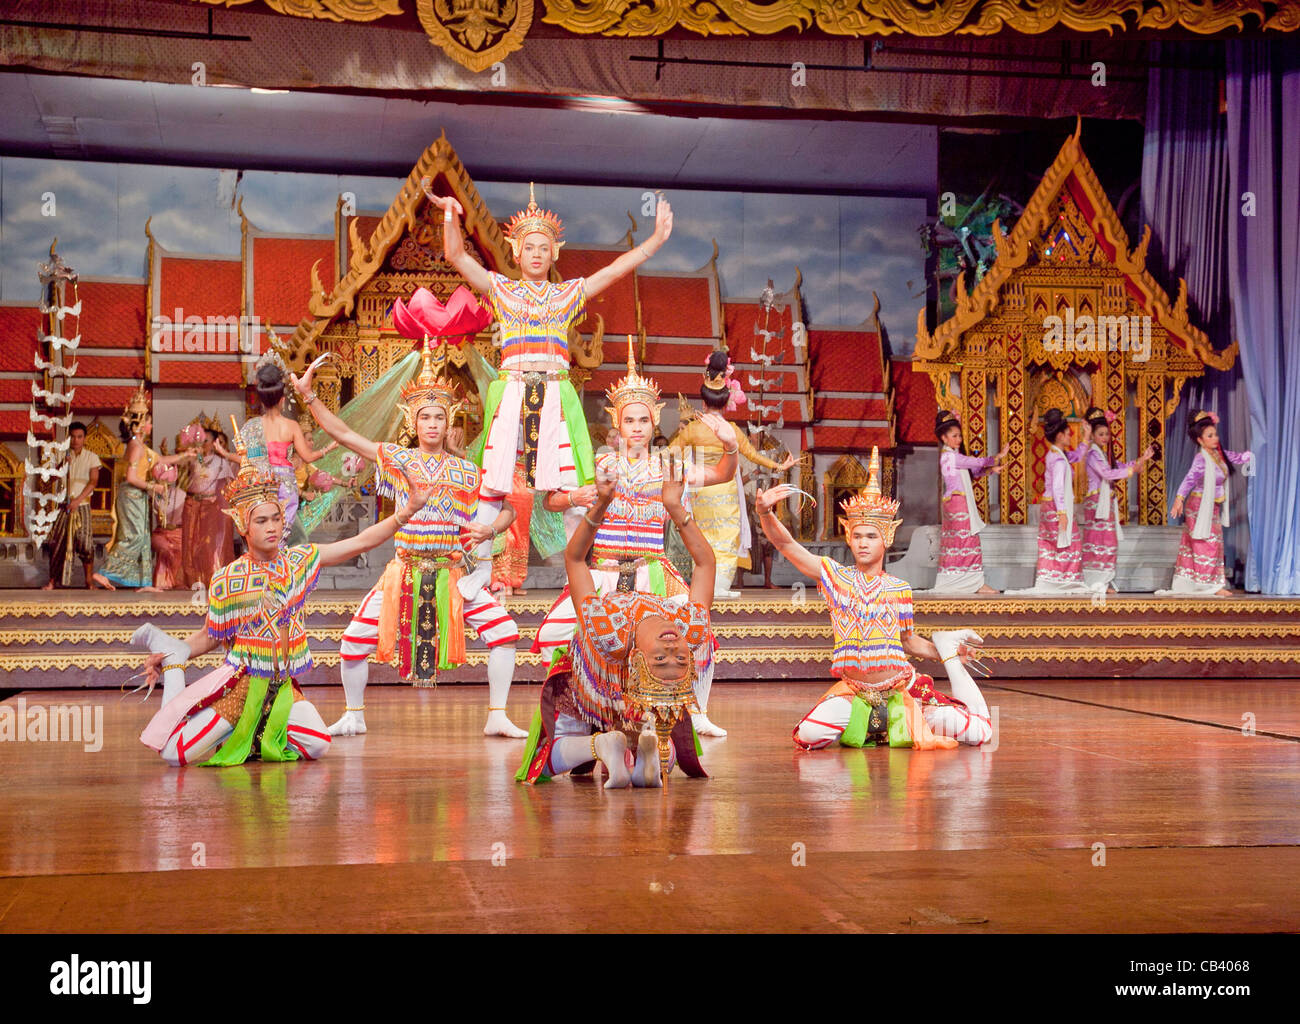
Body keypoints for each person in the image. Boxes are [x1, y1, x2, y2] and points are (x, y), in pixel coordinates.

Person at [132, 451, 432, 767]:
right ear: (242, 525)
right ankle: (175, 663)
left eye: (276, 518)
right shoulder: (228, 579)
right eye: (261, 520)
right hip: (241, 688)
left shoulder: (297, 562)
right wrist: (179, 653)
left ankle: (255, 736)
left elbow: (359, 543)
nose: (272, 527)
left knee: (318, 745)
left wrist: (407, 512)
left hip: (281, 687)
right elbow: (210, 635)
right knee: (173, 755)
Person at [291, 345, 527, 739]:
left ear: (448, 420)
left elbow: (509, 508)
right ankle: (354, 714)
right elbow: (344, 434)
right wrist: (309, 397)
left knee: (505, 634)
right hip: (405, 571)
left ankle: (497, 715)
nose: (432, 424)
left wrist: (491, 529)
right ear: (412, 421)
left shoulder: (467, 471)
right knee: (351, 642)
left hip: (453, 574)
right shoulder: (398, 459)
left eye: (438, 417)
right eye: (425, 417)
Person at [532, 339, 738, 737]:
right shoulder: (599, 464)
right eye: (630, 421)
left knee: (700, 634)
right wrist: (576, 496)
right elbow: (551, 500)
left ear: (655, 421)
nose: (638, 428)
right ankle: (587, 704)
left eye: (644, 420)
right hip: (605, 572)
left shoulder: (671, 465)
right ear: (618, 422)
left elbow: (722, 475)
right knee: (554, 634)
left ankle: (694, 711)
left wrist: (730, 445)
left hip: (653, 572)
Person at [424, 180, 674, 501]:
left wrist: (653, 242)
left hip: (554, 393)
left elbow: (612, 273)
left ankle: (575, 552)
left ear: (554, 252)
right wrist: (449, 215)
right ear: (517, 251)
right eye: (529, 247)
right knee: (494, 487)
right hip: (514, 390)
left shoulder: (565, 295)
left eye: (544, 247)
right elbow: (456, 254)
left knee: (572, 490)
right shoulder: (503, 289)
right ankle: (486, 548)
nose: (537, 254)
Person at [756, 447, 993, 751]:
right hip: (854, 693)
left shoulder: (899, 588)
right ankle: (874, 727)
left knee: (978, 734)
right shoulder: (835, 577)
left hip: (901, 692)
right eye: (857, 536)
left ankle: (896, 722)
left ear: (887, 538)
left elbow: (908, 641)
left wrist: (946, 654)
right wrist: (764, 512)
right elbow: (787, 545)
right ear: (848, 537)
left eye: (871, 536)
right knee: (809, 735)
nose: (863, 543)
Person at [517, 450, 716, 787]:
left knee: (550, 756)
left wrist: (601, 505)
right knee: (641, 747)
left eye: (660, 658)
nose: (672, 648)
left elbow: (575, 560)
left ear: (640, 661)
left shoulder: (606, 627)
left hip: (596, 692)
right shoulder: (691, 627)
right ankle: (638, 752)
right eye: (680, 657)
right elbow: (706, 564)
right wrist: (673, 506)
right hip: (620, 698)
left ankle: (605, 745)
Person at [668, 351, 796, 600]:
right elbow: (753, 455)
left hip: (701, 490)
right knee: (726, 539)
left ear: (703, 402)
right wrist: (778, 466)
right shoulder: (732, 430)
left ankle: (705, 585)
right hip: (725, 489)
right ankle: (720, 588)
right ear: (726, 403)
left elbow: (669, 454)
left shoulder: (693, 429)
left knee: (701, 536)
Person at [222, 363, 338, 538]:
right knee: (287, 537)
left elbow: (247, 461)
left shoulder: (251, 427)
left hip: (262, 487)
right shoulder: (291, 426)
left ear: (262, 400)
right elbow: (307, 456)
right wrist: (328, 448)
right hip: (285, 487)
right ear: (282, 400)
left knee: (266, 536)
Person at [95, 385, 194, 590]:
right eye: (148, 421)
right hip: (131, 495)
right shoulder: (134, 446)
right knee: (134, 537)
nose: (151, 425)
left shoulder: (142, 447)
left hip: (139, 496)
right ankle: (103, 572)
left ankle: (144, 582)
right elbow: (130, 476)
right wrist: (153, 486)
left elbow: (162, 459)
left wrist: (185, 455)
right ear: (140, 424)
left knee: (143, 538)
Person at [1160, 410, 1254, 597]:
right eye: (1210, 436)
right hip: (1198, 506)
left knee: (1214, 543)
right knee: (1204, 544)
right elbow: (1189, 479)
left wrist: (1256, 451)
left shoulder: (1218, 455)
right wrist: (1178, 499)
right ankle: (1207, 586)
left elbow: (1238, 458)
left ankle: (1211, 584)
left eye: (1215, 434)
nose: (1215, 438)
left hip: (1212, 507)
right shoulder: (1201, 458)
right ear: (1200, 440)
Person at [1011, 407, 1092, 594]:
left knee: (1058, 543)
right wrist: (1062, 513)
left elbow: (1078, 455)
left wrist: (1086, 436)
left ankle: (1057, 579)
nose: (1070, 435)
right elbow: (1057, 488)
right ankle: (1062, 581)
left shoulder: (1059, 455)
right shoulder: (1057, 459)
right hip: (1056, 506)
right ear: (1060, 436)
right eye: (1067, 433)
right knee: (1067, 542)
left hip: (1052, 505)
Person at [929, 409, 1008, 594]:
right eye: (954, 436)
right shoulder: (951, 456)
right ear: (944, 437)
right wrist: (995, 457)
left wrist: (991, 470)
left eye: (959, 435)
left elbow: (971, 470)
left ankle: (968, 581)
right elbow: (974, 463)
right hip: (958, 503)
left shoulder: (950, 456)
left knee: (959, 542)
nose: (959, 439)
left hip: (954, 502)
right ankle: (974, 583)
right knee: (967, 541)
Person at [1079, 406, 1154, 593]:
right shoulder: (1092, 454)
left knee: (1109, 542)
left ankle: (1104, 580)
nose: (1105, 437)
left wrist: (1140, 460)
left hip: (1106, 502)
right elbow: (1107, 474)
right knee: (1099, 542)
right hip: (1096, 503)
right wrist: (1132, 470)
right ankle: (1095, 581)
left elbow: (1119, 466)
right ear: (1093, 436)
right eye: (1101, 434)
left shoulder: (1104, 454)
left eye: (1107, 434)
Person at [42, 421, 102, 589]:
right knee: (57, 543)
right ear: (69, 438)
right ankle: (52, 581)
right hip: (63, 505)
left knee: (85, 542)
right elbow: (51, 478)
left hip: (81, 505)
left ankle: (89, 581)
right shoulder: (62, 455)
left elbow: (93, 481)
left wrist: (77, 501)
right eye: (73, 437)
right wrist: (63, 465)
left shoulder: (92, 457)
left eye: (79, 437)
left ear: (84, 438)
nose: (76, 440)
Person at [180, 423, 238, 590]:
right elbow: (187, 471)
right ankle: (193, 580)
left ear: (214, 443)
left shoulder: (221, 462)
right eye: (200, 440)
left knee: (209, 545)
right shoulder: (196, 459)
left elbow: (226, 489)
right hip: (193, 506)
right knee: (193, 544)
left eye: (206, 441)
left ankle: (213, 579)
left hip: (212, 508)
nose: (202, 444)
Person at [149, 462, 187, 590]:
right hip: (161, 533)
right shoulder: (154, 495)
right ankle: (163, 582)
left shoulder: (181, 494)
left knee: (180, 550)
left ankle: (178, 582)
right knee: (166, 548)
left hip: (179, 533)